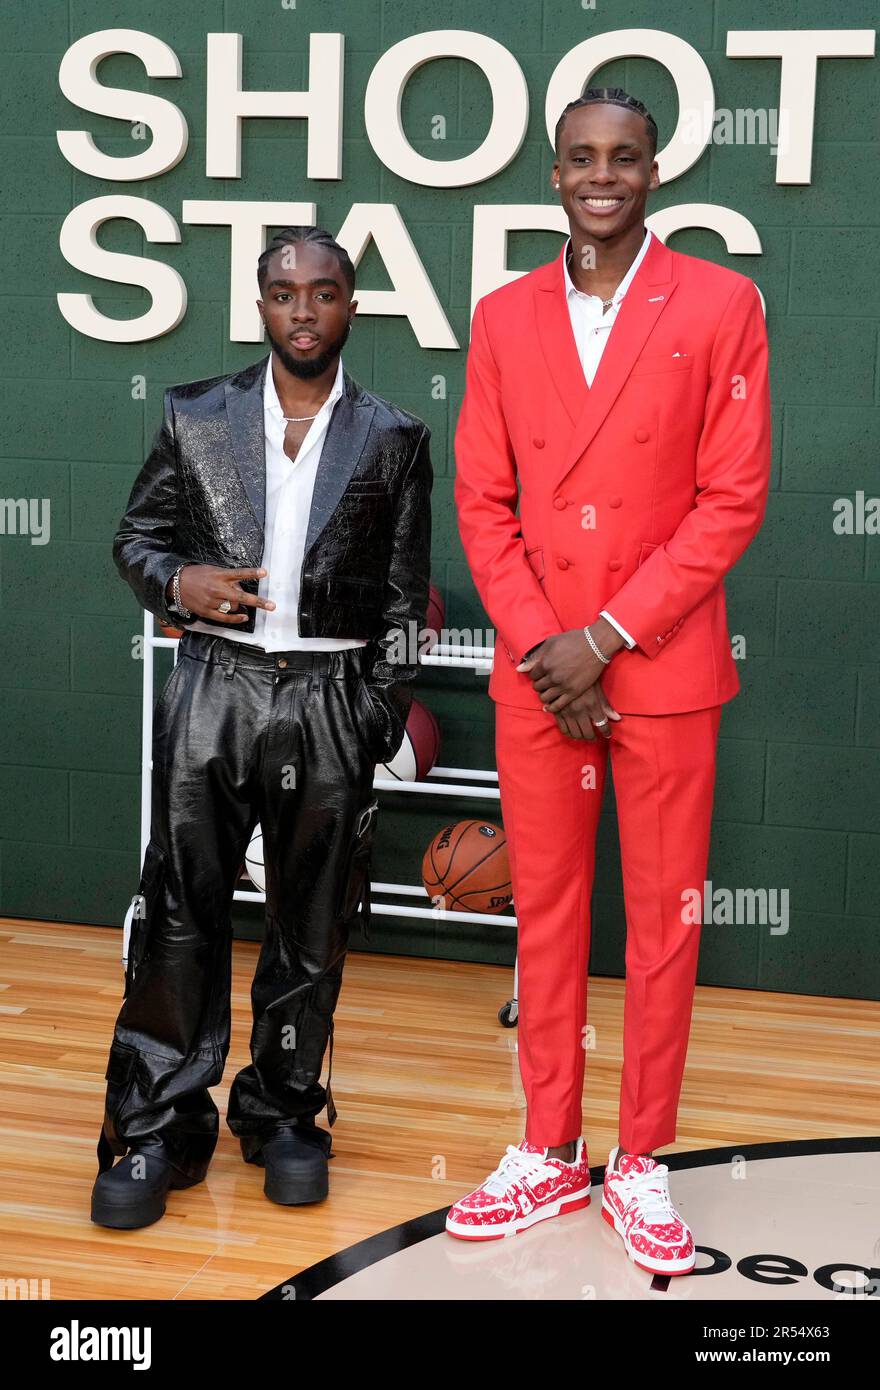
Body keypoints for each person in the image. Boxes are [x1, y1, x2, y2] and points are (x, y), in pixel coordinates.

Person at [450, 89, 771, 1274]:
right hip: (543, 674)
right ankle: (547, 1148)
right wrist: (552, 650)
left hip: (663, 666)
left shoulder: (722, 302)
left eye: (623, 156)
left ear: (654, 170)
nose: (602, 175)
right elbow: (482, 501)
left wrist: (606, 636)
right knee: (545, 913)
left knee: (662, 925)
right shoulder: (501, 316)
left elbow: (731, 497)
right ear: (552, 174)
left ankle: (639, 1161)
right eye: (581, 157)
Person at [91, 225, 432, 1229]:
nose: (303, 311)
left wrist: (371, 717)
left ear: (350, 306)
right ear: (260, 304)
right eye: (284, 293)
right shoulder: (195, 413)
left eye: (323, 293)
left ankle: (283, 1110)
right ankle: (157, 1123)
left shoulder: (394, 435)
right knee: (180, 911)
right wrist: (177, 580)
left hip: (328, 699)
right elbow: (136, 538)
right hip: (215, 685)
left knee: (310, 924)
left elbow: (407, 600)